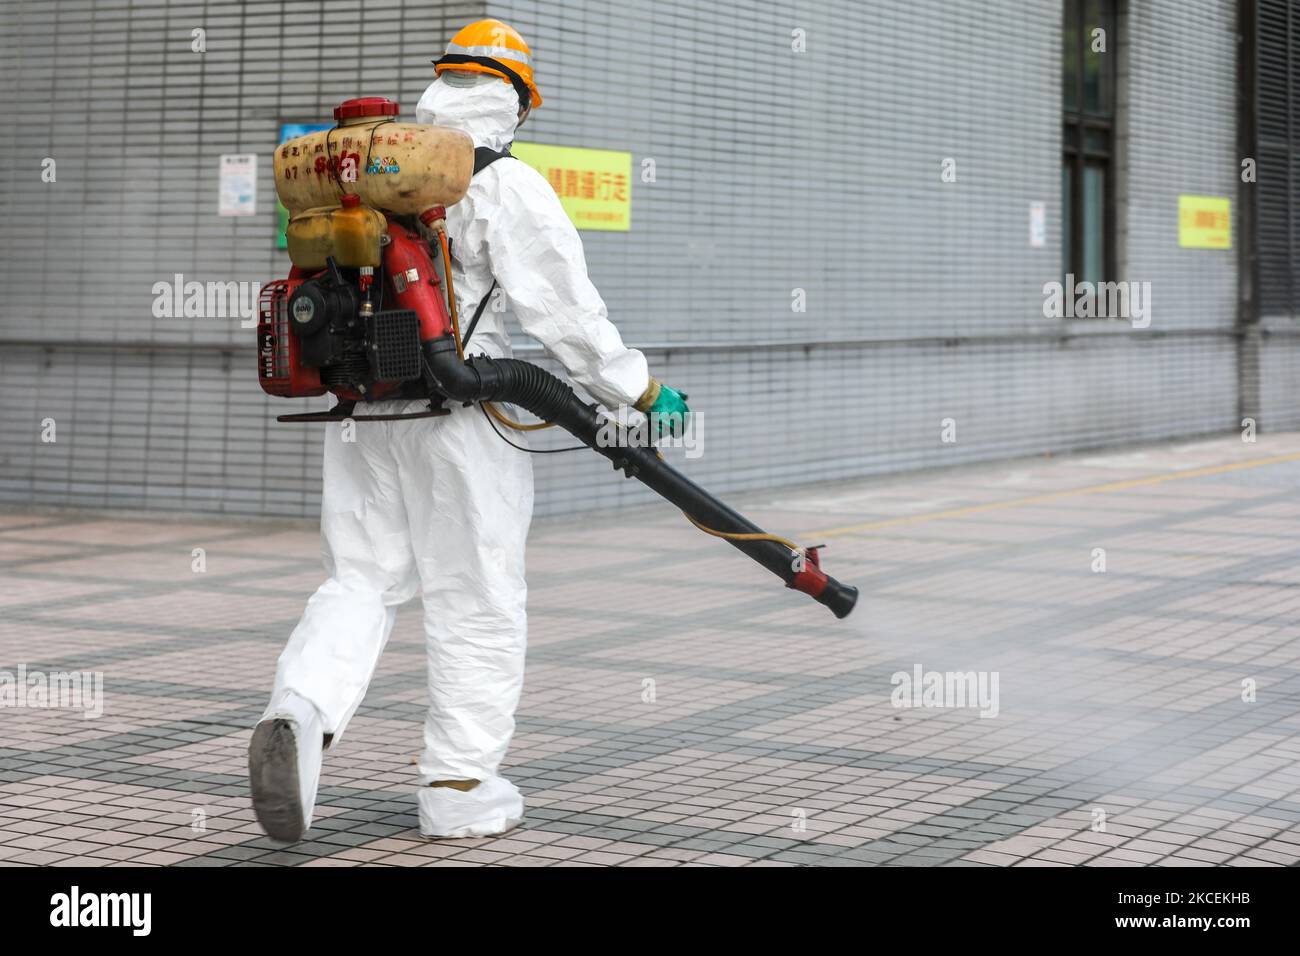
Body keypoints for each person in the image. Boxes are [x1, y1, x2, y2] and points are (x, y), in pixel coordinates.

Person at [248, 18, 691, 841]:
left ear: (442, 82)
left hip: (359, 411)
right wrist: (641, 390)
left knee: (359, 581)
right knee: (475, 594)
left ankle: (299, 712)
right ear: (516, 99)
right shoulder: (499, 181)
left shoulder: (373, 174)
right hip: (461, 411)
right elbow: (565, 313)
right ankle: (458, 786)